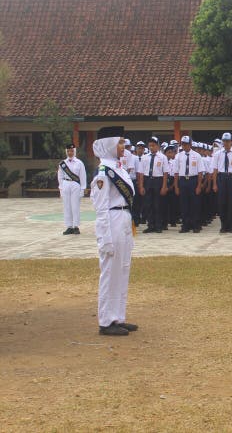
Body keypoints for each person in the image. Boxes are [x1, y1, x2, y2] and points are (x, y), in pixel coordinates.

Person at [91, 127, 137, 336]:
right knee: (110, 271)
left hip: (124, 219)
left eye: (124, 142)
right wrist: (105, 238)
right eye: (119, 143)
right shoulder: (104, 174)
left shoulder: (119, 169)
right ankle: (105, 321)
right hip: (112, 219)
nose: (123, 147)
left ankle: (118, 316)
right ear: (109, 144)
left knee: (123, 268)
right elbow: (100, 209)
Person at [137, 136, 168, 233]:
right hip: (147, 181)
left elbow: (165, 173)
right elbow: (141, 173)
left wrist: (164, 186)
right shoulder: (145, 157)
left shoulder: (163, 157)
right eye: (150, 145)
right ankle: (150, 225)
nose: (151, 147)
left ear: (158, 146)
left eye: (153, 145)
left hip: (158, 180)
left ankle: (158, 225)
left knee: (158, 205)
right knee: (148, 204)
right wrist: (141, 186)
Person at [212, 133, 232, 233]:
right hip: (221, 178)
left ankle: (231, 225)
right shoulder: (217, 154)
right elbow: (215, 170)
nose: (226, 143)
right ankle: (223, 225)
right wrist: (215, 184)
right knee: (222, 203)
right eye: (224, 141)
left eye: (228, 141)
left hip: (231, 178)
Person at [57, 143, 87, 235]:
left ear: (75, 151)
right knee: (67, 206)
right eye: (69, 151)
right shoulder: (63, 164)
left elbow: (83, 176)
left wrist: (83, 188)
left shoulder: (79, 163)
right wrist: (61, 188)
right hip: (66, 183)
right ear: (66, 152)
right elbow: (60, 176)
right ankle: (69, 226)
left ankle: (76, 226)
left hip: (75, 184)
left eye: (72, 151)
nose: (70, 153)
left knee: (75, 206)